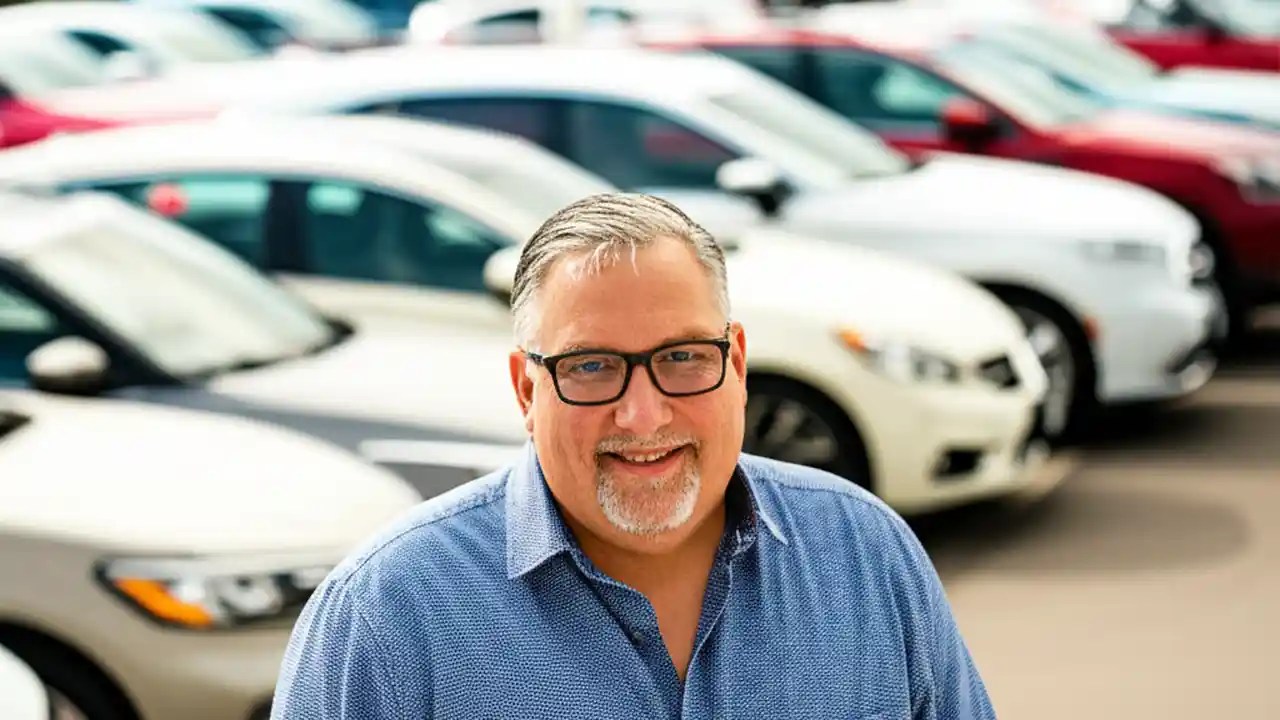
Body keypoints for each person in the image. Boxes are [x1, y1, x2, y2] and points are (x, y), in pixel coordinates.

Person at [271, 193, 996, 719]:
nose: (643, 414)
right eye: (591, 367)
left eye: (682, 357)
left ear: (736, 364)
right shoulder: (388, 616)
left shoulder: (864, 554)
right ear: (528, 388)